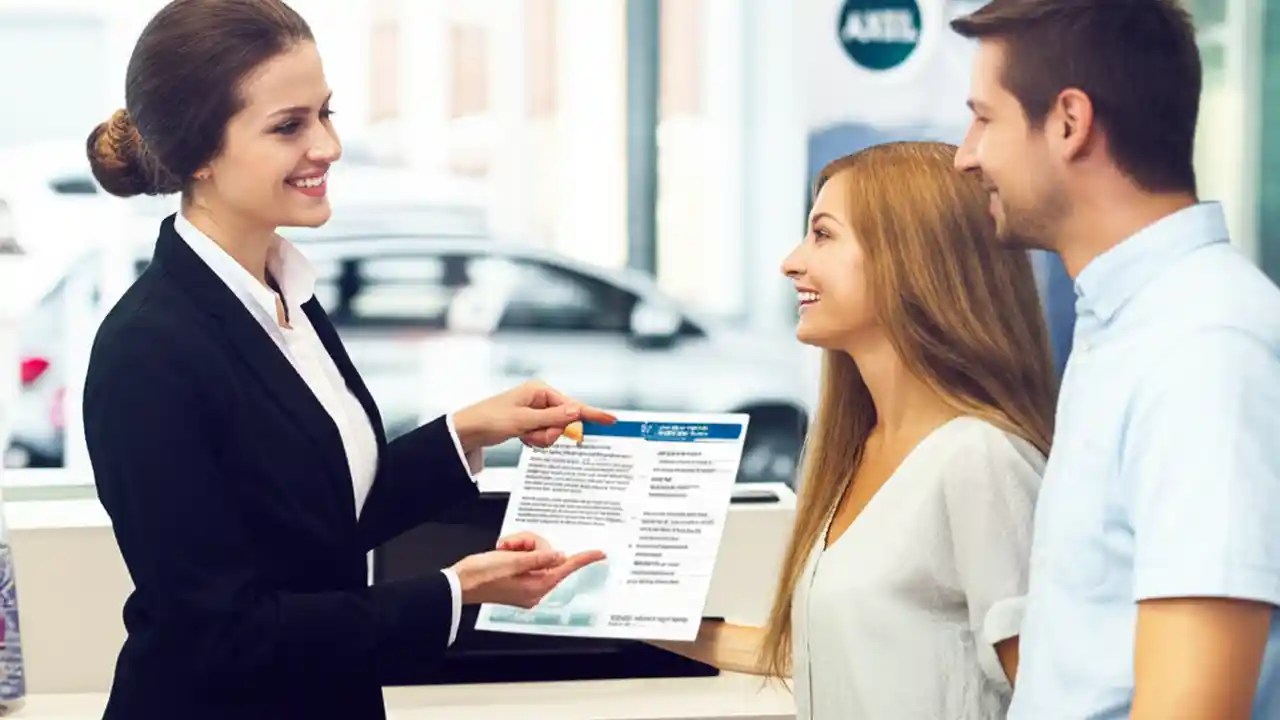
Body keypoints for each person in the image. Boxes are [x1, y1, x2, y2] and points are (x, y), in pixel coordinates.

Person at [81, 1, 610, 718]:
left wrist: (471, 430)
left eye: (326, 113)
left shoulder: (286, 298)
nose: (327, 145)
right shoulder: (147, 351)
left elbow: (321, 519)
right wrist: (457, 592)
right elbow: (221, 633)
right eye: (289, 125)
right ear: (198, 152)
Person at [952, 1, 1280, 718]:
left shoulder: (1204, 345)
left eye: (984, 117)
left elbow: (1192, 708)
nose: (965, 154)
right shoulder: (1129, 325)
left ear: (1069, 123)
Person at [653, 141, 1057, 719]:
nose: (792, 262)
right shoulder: (851, 452)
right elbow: (826, 650)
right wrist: (596, 608)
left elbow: (1052, 695)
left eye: (823, 234)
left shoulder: (981, 459)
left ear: (910, 257)